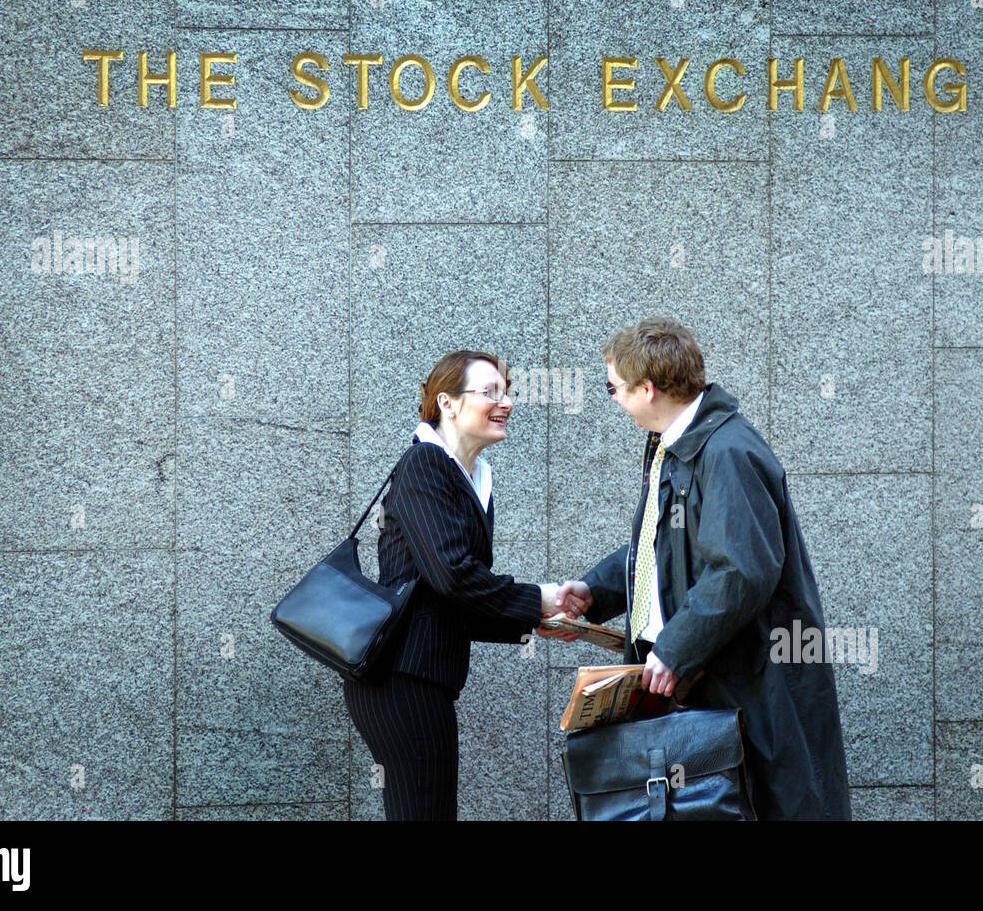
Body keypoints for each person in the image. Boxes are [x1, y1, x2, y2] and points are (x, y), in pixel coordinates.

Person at [547, 318, 852, 820]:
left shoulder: (727, 451)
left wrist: (676, 648)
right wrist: (594, 592)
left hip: (741, 683)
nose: (615, 400)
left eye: (613, 388)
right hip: (707, 679)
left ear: (647, 388)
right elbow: (660, 549)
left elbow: (741, 570)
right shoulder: (680, 444)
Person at [343, 349, 587, 821]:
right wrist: (536, 597)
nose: (507, 402)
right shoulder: (425, 465)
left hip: (422, 677)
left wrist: (535, 618)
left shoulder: (473, 477)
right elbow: (452, 574)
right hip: (401, 676)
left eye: (507, 392)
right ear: (447, 403)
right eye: (489, 391)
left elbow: (448, 595)